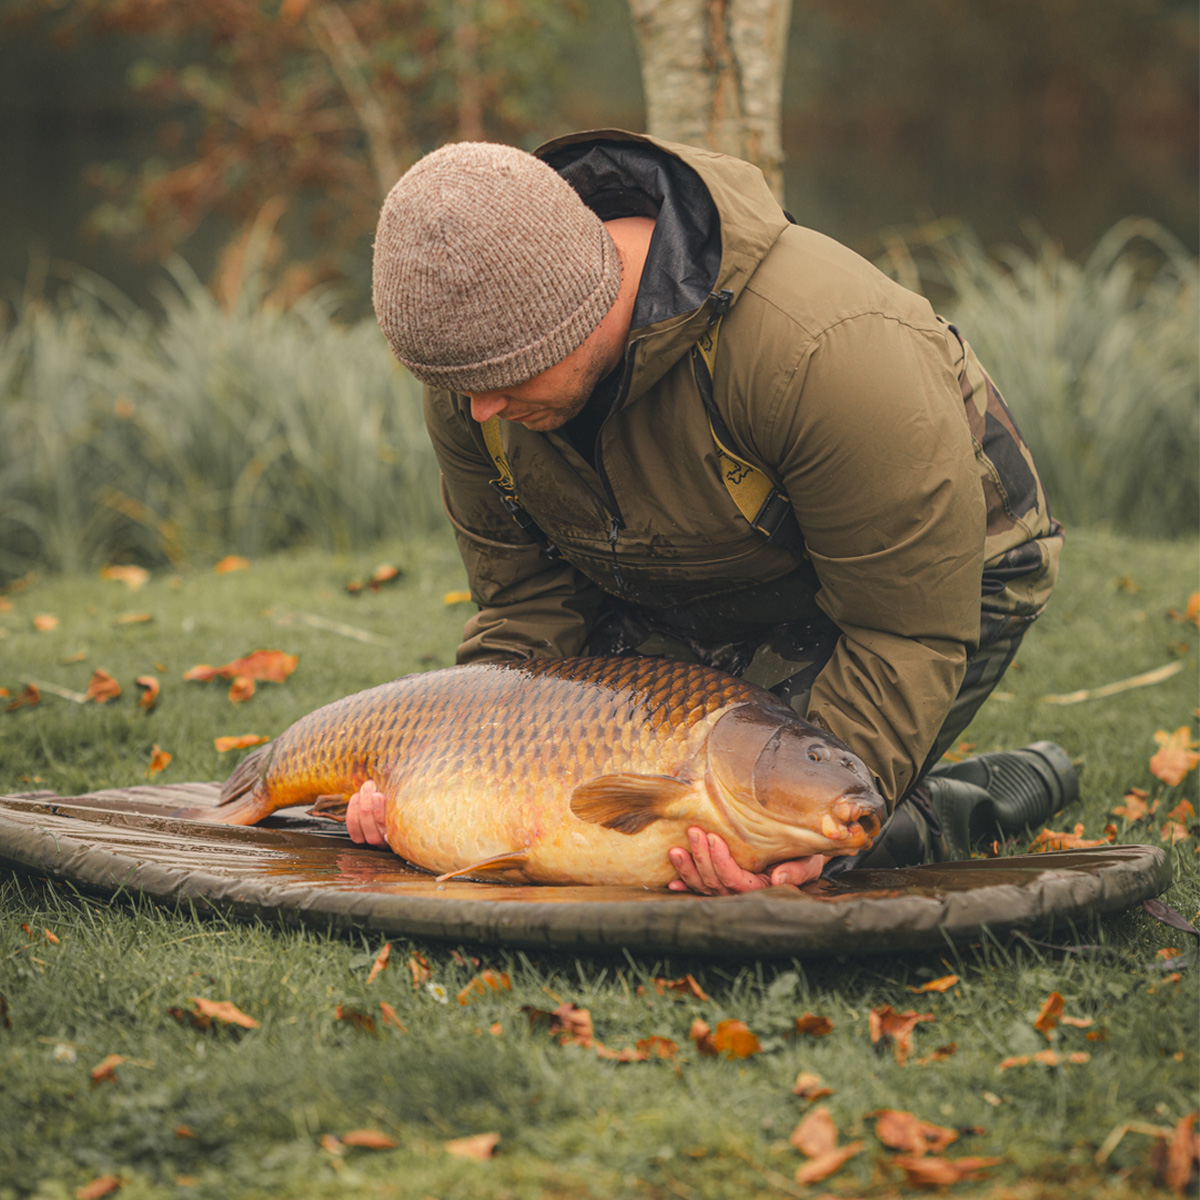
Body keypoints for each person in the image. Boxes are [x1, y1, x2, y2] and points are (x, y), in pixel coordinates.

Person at [349, 129, 1075, 892]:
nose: (479, 409)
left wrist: (803, 835)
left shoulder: (822, 350)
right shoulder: (477, 379)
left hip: (937, 580)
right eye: (457, 386)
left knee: (767, 825)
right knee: (620, 826)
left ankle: (944, 813)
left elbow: (902, 627)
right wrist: (452, 775)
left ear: (576, 308)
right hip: (689, 571)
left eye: (504, 378)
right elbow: (527, 608)